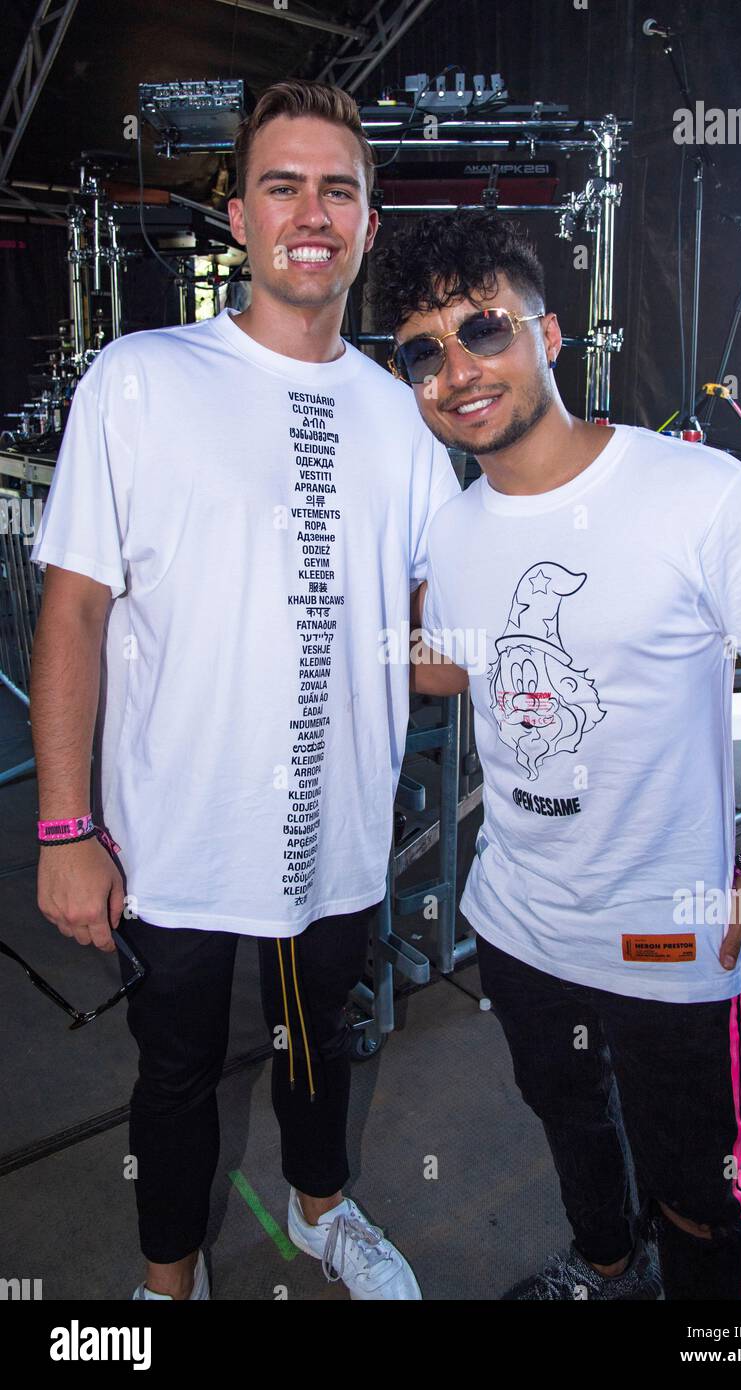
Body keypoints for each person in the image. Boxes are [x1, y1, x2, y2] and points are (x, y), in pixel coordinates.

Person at [28, 79, 459, 1302]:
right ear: (239, 216)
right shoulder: (141, 377)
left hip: (336, 834)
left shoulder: (399, 418)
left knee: (322, 1045)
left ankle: (320, 1211)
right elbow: (74, 607)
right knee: (173, 1073)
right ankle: (171, 1284)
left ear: (368, 223)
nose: (311, 211)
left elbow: (432, 635)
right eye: (284, 185)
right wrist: (65, 826)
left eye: (339, 189)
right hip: (173, 834)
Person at [370, 210, 741, 1300]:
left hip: (668, 933)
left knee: (697, 1187)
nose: (457, 370)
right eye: (422, 352)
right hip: (521, 921)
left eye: (482, 329)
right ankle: (604, 1258)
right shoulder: (454, 528)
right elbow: (447, 661)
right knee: (568, 1117)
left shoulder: (696, 494)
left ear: (550, 334)